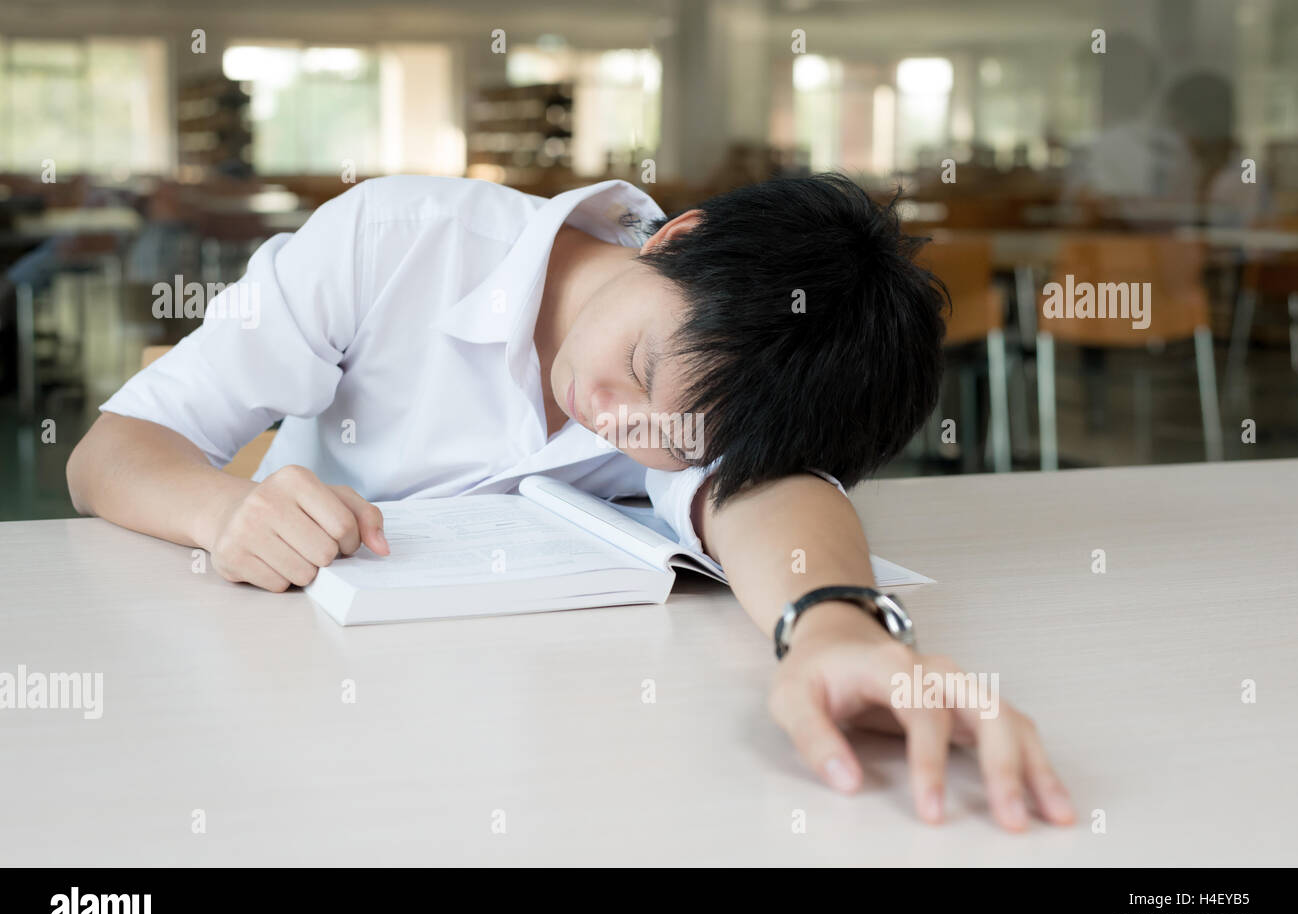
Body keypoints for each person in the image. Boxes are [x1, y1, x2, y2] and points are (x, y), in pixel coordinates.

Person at [66, 172, 1075, 832]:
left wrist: (831, 630)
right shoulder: (393, 243)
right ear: (677, 237)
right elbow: (110, 453)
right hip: (291, 697)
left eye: (666, 436)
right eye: (637, 364)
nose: (614, 417)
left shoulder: (709, 405)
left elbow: (766, 499)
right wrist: (219, 511)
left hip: (540, 746)